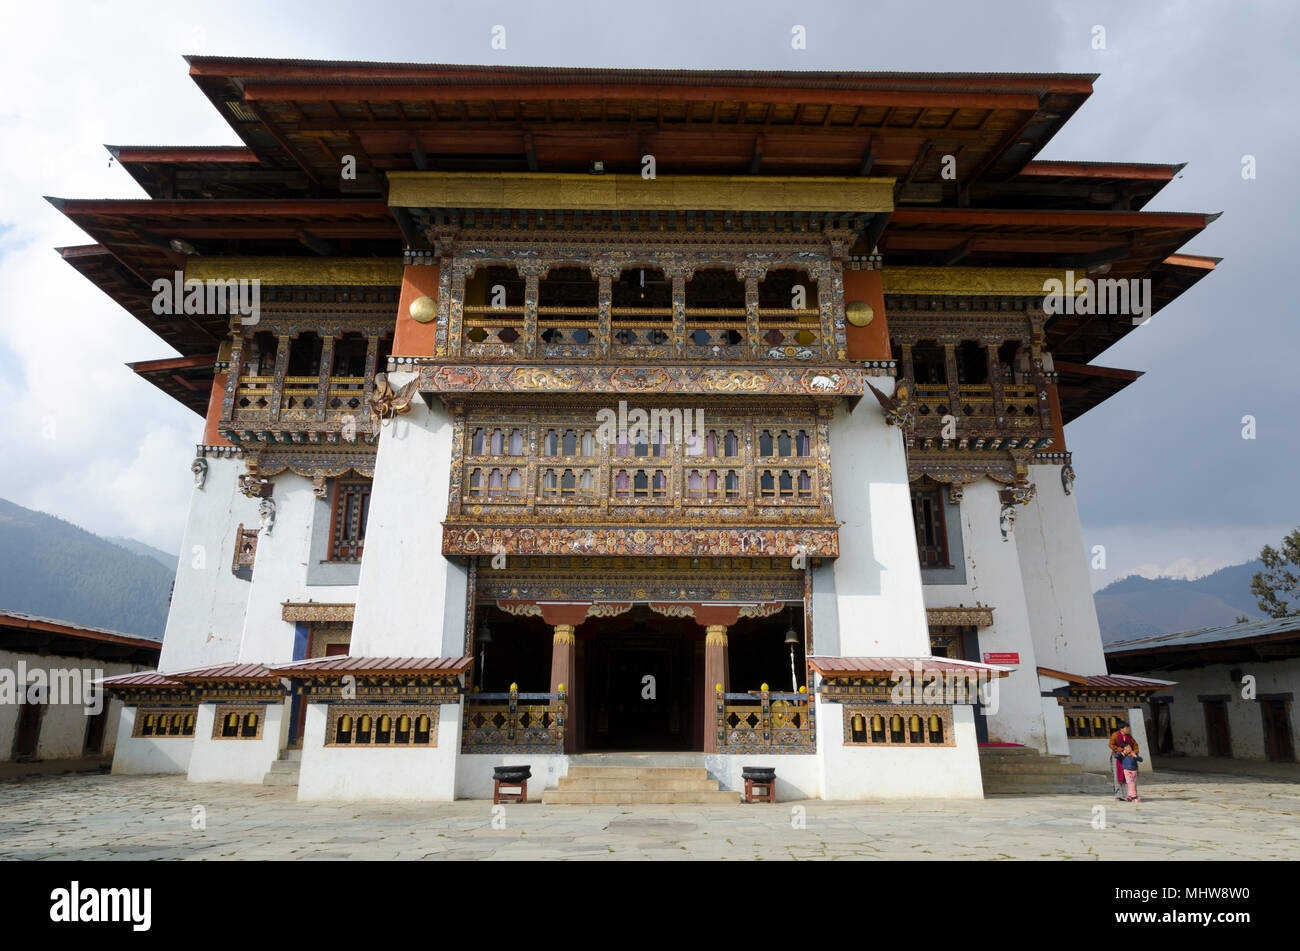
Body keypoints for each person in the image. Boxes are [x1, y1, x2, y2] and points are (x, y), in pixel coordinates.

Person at [1108, 722, 1138, 798]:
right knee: (1117, 776)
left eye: (1128, 728)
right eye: (1126, 728)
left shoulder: (1129, 736)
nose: (1128, 729)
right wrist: (1121, 750)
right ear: (1121, 729)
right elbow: (1111, 745)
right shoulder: (1115, 735)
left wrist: (1134, 752)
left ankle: (1130, 794)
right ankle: (1118, 795)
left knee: (1129, 776)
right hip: (1117, 757)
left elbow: (1135, 745)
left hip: (1128, 758)